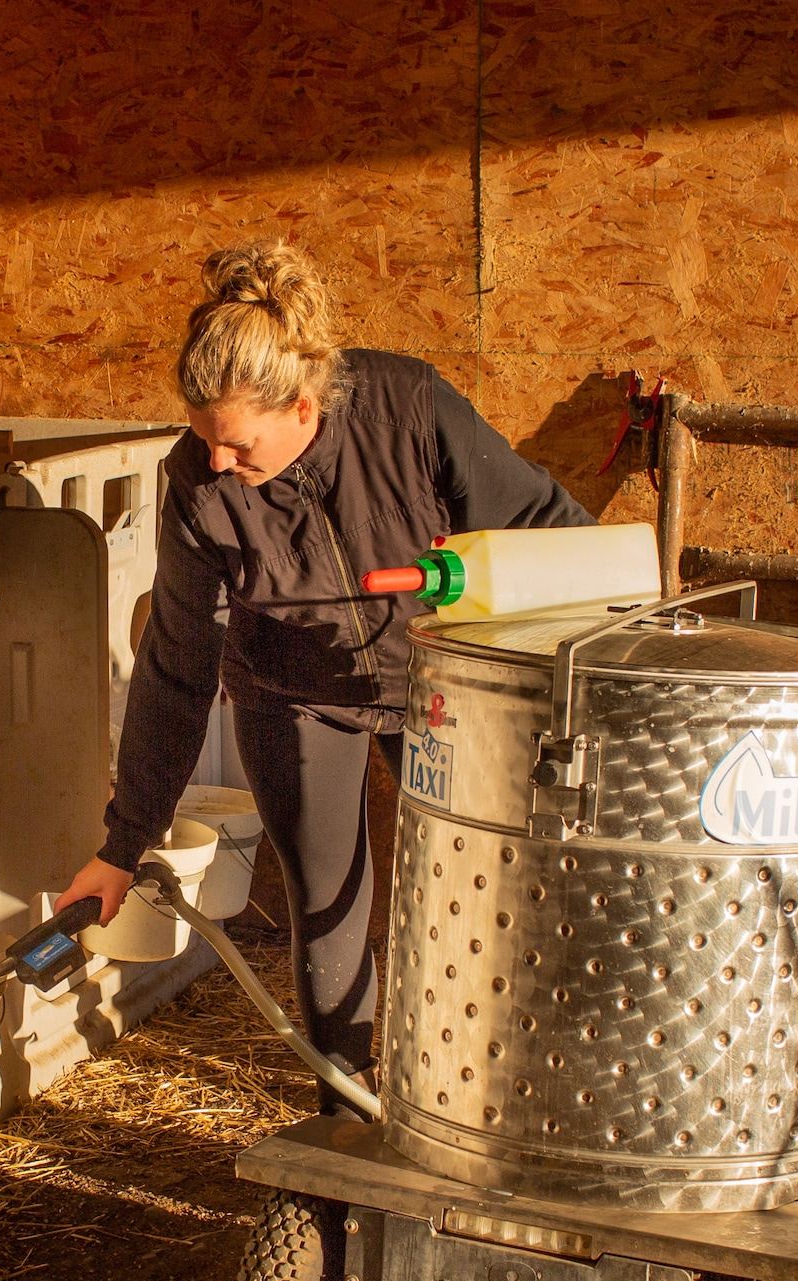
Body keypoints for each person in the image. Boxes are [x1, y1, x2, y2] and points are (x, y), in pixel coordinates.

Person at [53, 243, 594, 1111]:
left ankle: (484, 1104)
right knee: (331, 907)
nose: (218, 462)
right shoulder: (198, 486)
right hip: (293, 694)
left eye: (236, 442)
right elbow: (176, 663)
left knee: (478, 892)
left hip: (440, 683)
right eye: (204, 439)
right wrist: (124, 842)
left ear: (302, 405)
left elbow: (541, 522)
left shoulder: (407, 409)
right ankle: (348, 1118)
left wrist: (614, 628)